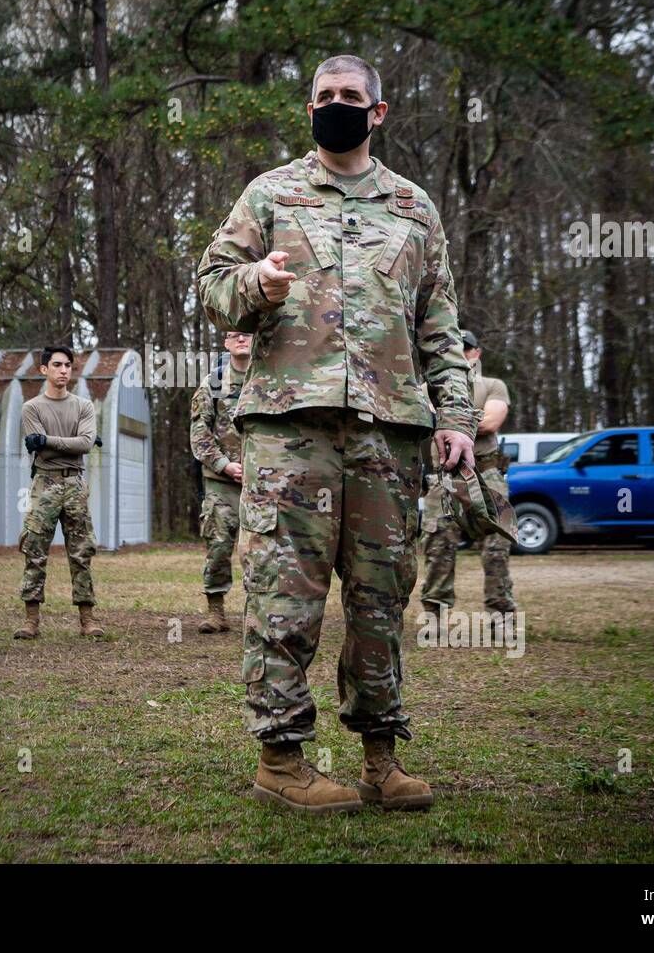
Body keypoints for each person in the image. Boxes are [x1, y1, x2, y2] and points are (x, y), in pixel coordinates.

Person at [197, 54, 476, 814]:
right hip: (291, 430)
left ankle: (380, 760)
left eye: (351, 97)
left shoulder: (415, 208)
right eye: (324, 96)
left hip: (390, 436)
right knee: (284, 592)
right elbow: (213, 285)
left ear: (378, 112)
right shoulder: (270, 194)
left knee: (381, 597)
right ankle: (281, 762)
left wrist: (455, 419)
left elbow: (440, 327)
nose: (337, 105)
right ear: (308, 110)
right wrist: (258, 283)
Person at [419, 330, 516, 620]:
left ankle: (500, 613)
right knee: (439, 545)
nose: (462, 352)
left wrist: (448, 418)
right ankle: (434, 615)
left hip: (486, 474)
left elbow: (491, 423)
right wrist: (467, 416)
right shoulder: (428, 388)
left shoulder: (492, 385)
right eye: (455, 348)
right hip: (444, 477)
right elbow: (425, 419)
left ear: (477, 353)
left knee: (497, 545)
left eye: (467, 348)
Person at [15, 346, 102, 640]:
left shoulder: (83, 406)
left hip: (75, 483)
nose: (63, 370)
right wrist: (69, 442)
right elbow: (67, 444)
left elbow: (86, 444)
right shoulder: (32, 408)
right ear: (44, 370)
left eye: (67, 365)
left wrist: (47, 440)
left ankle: (87, 619)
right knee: (35, 549)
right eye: (57, 365)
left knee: (81, 552)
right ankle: (31, 620)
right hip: (45, 483)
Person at [190, 331, 252, 633]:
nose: (241, 339)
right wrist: (226, 466)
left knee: (265, 550)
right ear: (226, 344)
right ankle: (216, 611)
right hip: (221, 482)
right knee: (218, 545)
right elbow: (199, 434)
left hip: (263, 482)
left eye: (247, 334)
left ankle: (260, 611)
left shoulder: (268, 378)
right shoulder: (213, 383)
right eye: (234, 335)